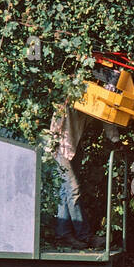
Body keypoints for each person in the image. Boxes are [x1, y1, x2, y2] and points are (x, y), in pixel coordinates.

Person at [49, 105, 92, 247]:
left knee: (65, 191)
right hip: (61, 147)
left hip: (74, 146)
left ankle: (63, 235)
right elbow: (55, 125)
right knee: (73, 190)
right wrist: (53, 148)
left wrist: (115, 139)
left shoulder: (92, 98)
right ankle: (84, 235)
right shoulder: (69, 97)